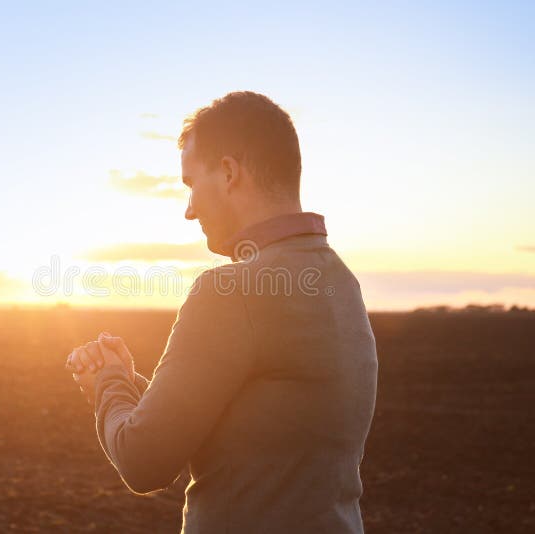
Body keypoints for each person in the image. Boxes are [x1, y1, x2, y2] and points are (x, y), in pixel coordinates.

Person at [64, 91, 378, 533]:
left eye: (191, 184)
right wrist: (135, 385)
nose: (189, 210)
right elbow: (257, 421)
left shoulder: (230, 291)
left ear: (229, 172)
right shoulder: (339, 280)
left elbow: (144, 460)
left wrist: (107, 383)